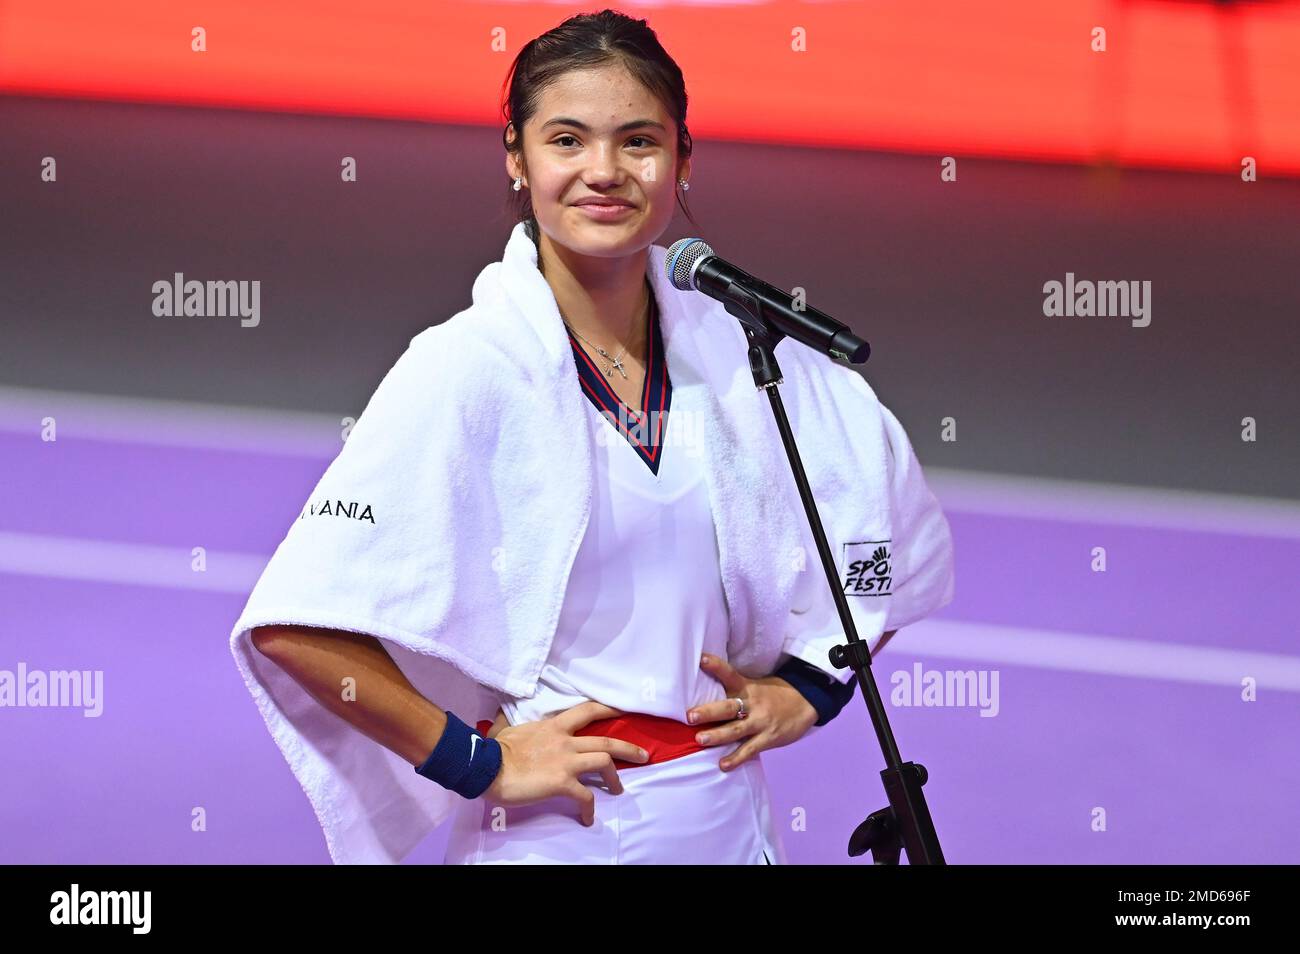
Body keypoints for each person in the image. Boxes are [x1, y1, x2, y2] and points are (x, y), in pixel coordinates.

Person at [230, 9, 954, 865]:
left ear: (684, 158)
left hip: (732, 826)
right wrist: (477, 761)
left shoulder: (741, 356)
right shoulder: (465, 367)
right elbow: (298, 620)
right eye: (566, 140)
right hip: (554, 838)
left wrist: (812, 686)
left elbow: (883, 536)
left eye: (638, 141)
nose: (603, 172)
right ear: (517, 157)